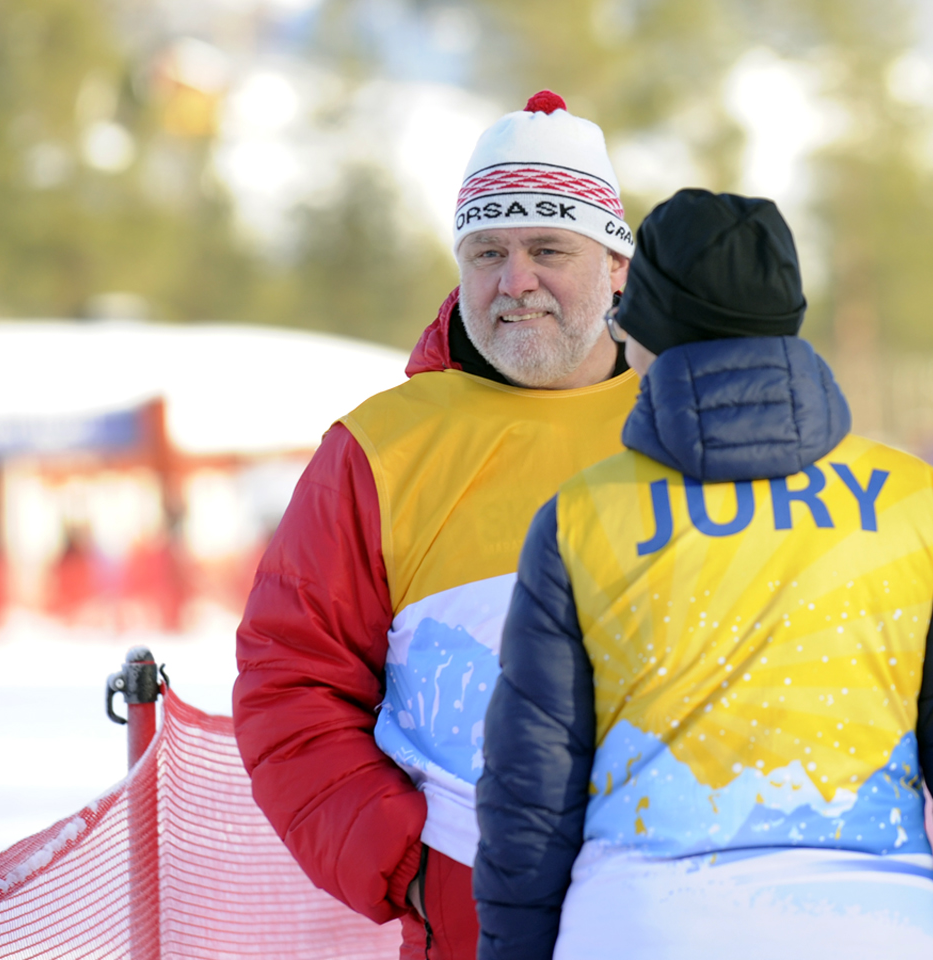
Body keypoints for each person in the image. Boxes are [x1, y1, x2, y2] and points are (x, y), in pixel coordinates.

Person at [474, 189, 933, 960]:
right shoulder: (914, 502)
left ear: (650, 329)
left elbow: (529, 795)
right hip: (870, 927)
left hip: (641, 925)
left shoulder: (581, 516)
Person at [232, 90, 641, 960]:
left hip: (693, 911)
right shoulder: (380, 449)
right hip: (477, 924)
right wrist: (415, 869)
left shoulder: (694, 422)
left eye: (547, 248)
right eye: (487, 252)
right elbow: (290, 683)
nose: (515, 280)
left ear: (616, 265)